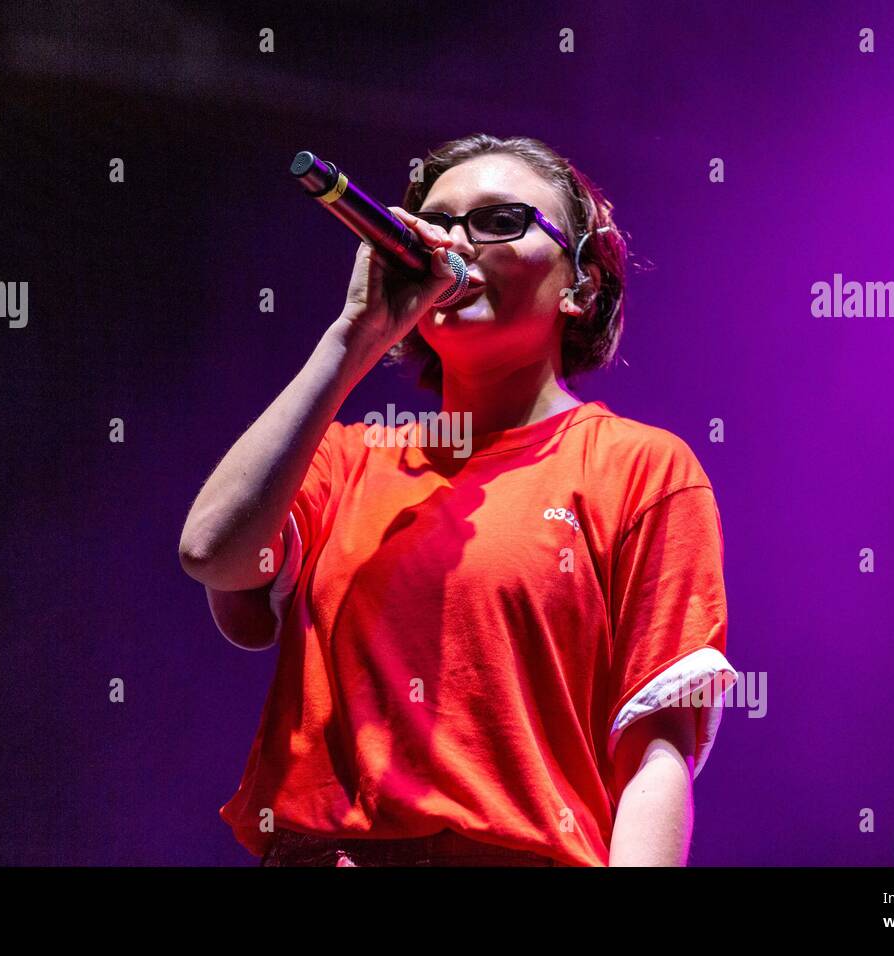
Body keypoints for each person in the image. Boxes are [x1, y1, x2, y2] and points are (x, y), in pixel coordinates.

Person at [179, 133, 737, 867]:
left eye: (499, 221)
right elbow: (212, 552)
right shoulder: (348, 457)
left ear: (580, 287)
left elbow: (654, 754)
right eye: (436, 223)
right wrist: (355, 336)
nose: (454, 245)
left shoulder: (638, 468)